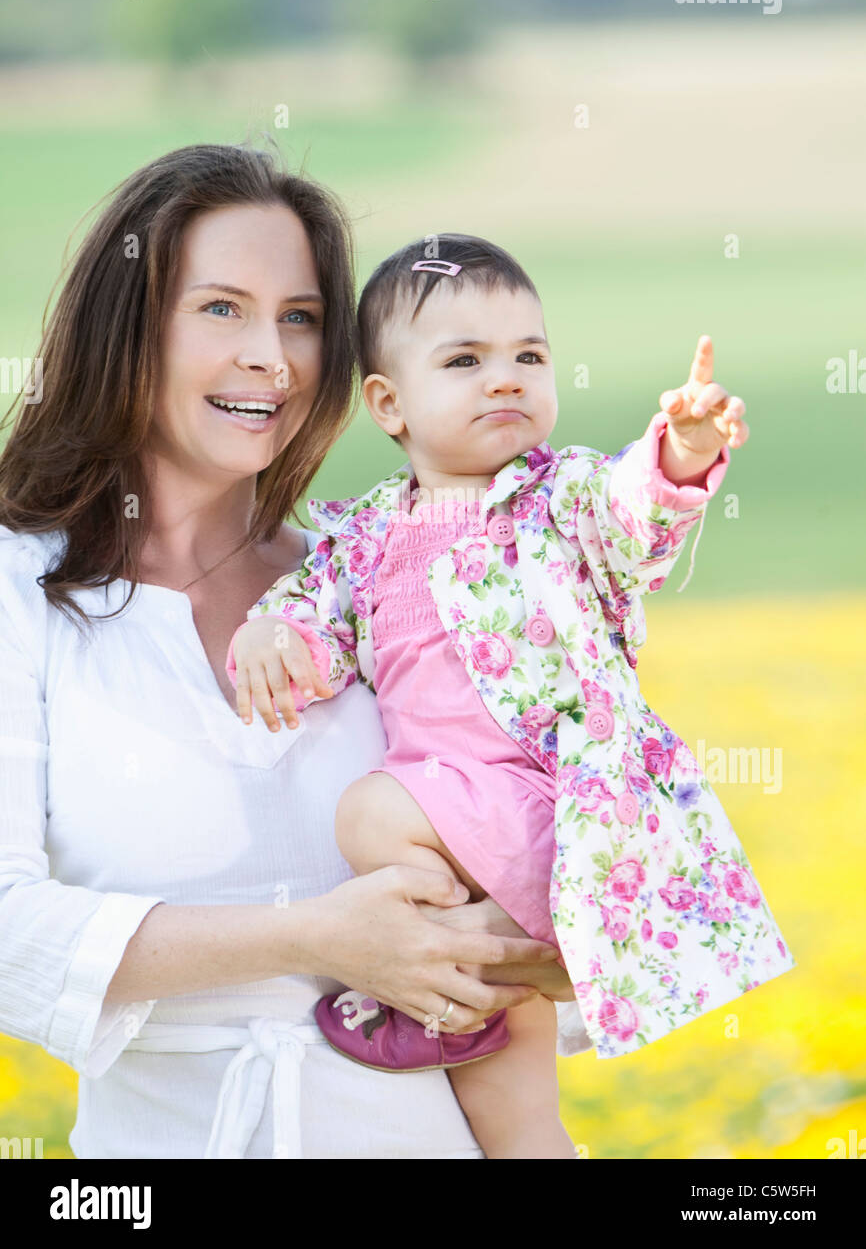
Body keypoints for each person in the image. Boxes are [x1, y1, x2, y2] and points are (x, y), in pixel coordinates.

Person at [0, 147, 574, 1161]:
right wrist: (312, 937)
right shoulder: (20, 593)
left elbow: (556, 849)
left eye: (301, 318)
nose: (271, 354)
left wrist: (545, 937)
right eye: (220, 307)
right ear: (126, 326)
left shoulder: (388, 584)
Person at [227, 232, 797, 1160]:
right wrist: (270, 633)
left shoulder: (557, 498)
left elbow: (633, 515)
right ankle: (466, 1016)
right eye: (465, 361)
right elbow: (314, 625)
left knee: (371, 809)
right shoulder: (366, 535)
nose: (506, 379)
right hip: (473, 839)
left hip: (558, 814)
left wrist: (679, 453)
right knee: (517, 1118)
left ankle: (436, 979)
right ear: (388, 403)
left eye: (528, 356)